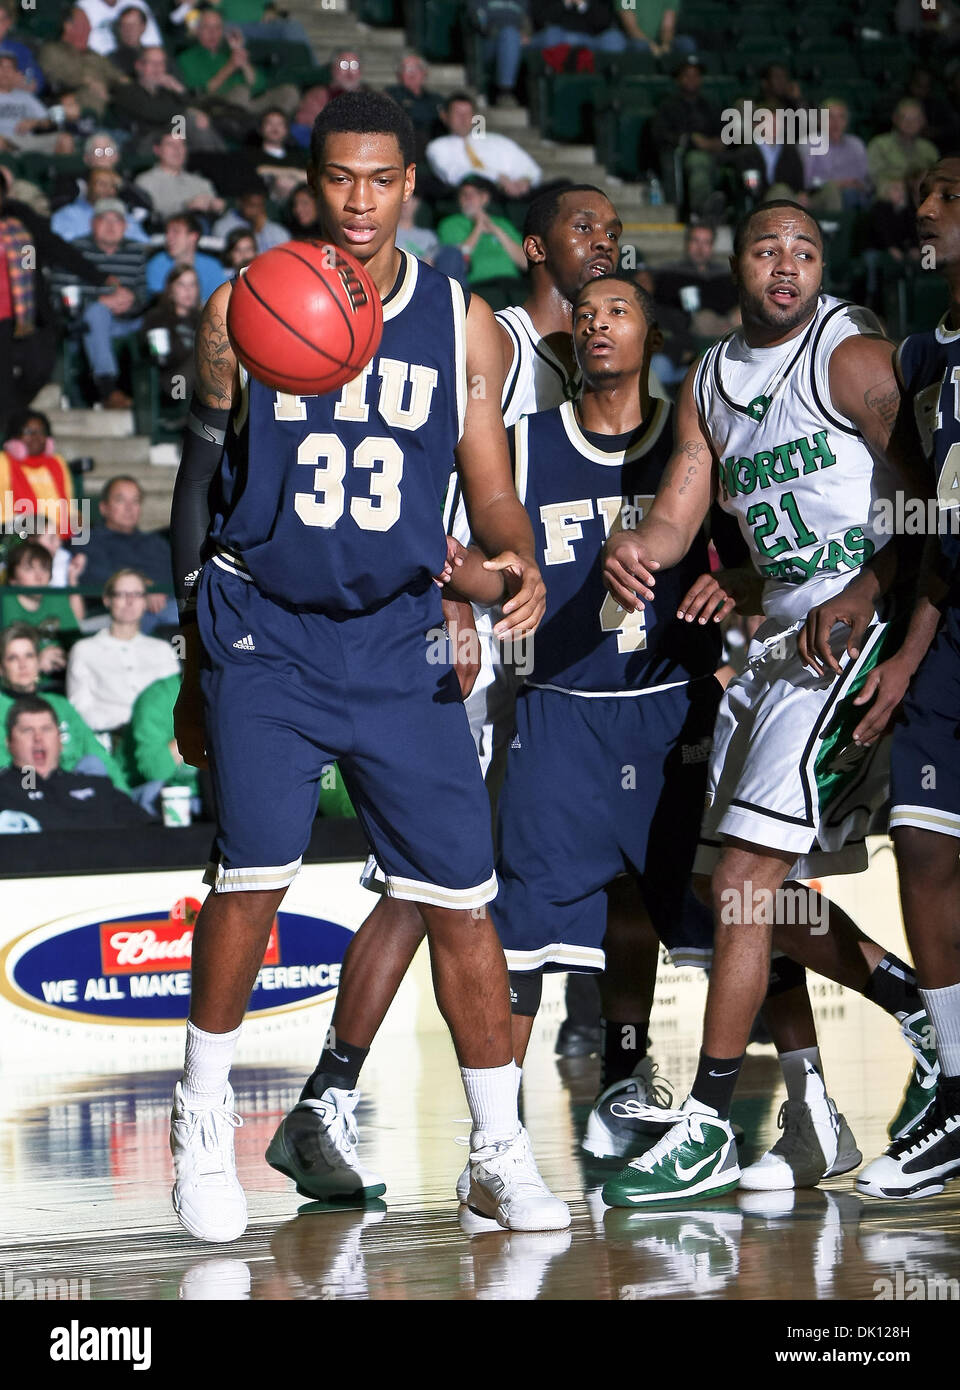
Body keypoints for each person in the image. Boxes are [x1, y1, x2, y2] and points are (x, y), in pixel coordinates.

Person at [168, 89, 565, 1242]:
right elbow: (197, 484)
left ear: (409, 186)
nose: (358, 200)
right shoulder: (237, 307)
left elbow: (490, 479)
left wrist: (514, 550)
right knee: (255, 871)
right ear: (313, 183)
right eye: (339, 177)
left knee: (464, 899)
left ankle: (496, 1155)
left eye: (380, 179)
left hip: (398, 635)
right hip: (267, 630)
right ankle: (203, 1118)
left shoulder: (464, 324)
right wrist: (201, 657)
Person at [600, 200, 932, 1205]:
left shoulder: (852, 359)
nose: (787, 266)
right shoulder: (711, 381)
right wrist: (636, 552)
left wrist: (871, 589)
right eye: (766, 249)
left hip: (854, 633)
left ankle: (705, 1120)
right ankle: (911, 1005)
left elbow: (936, 501)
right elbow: (676, 514)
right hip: (778, 639)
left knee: (746, 874)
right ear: (732, 264)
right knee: (730, 892)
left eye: (806, 251)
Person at [855, 156, 960, 1199]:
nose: (922, 210)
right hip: (949, 625)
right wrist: (909, 649)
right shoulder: (925, 354)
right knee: (923, 846)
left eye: (945, 195)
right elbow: (931, 518)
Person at [0, 174, 111, 426]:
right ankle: (9, 428)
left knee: (40, 368)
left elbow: (57, 248)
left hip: (25, 314)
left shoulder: (21, 219)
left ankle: (10, 416)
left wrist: (100, 277)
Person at [0, 623, 129, 786]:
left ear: (38, 662)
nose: (23, 664)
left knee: (93, 763)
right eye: (13, 658)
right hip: (28, 791)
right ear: (2, 668)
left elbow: (96, 753)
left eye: (29, 656)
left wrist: (124, 798)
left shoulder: (60, 705)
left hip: (75, 791)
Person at [0, 695, 148, 831]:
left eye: (46, 729)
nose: (38, 737)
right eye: (27, 730)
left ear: (60, 740)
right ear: (9, 743)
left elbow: (151, 831)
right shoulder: (5, 789)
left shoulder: (96, 787)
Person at [66, 567, 180, 735]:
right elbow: (80, 709)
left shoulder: (162, 650)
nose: (129, 601)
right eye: (121, 594)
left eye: (137, 594)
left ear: (144, 601)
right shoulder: (84, 650)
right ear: (107, 599)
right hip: (108, 738)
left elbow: (174, 700)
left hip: (159, 738)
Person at [69, 198, 149, 407]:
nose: (111, 226)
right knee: (97, 312)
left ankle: (164, 398)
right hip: (87, 320)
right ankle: (108, 389)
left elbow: (144, 294)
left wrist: (132, 301)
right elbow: (62, 289)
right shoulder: (76, 249)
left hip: (128, 320)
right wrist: (101, 300)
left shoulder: (137, 251)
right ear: (92, 223)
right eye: (105, 219)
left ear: (125, 226)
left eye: (117, 220)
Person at [82, 476, 177, 630]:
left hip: (167, 611)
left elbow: (177, 581)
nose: (129, 507)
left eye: (135, 501)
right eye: (120, 500)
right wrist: (142, 589)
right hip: (115, 614)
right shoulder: (88, 541)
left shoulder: (157, 544)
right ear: (103, 507)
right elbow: (92, 577)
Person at [176, 8, 297, 119]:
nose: (213, 33)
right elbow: (203, 91)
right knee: (240, 92)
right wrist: (231, 66)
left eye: (217, 28)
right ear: (197, 30)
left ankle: (272, 125)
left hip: (250, 105)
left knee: (288, 92)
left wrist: (242, 61)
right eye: (207, 27)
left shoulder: (229, 52)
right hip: (218, 107)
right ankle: (260, 124)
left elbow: (259, 85)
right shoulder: (187, 58)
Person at [110, 45, 228, 153]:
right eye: (152, 63)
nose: (157, 68)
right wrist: (189, 111)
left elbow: (195, 106)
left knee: (199, 121)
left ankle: (222, 159)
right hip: (145, 140)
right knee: (191, 120)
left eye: (161, 64)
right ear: (139, 66)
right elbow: (155, 113)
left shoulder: (167, 90)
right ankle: (219, 162)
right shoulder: (127, 91)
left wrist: (179, 89)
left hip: (174, 135)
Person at [648, 55, 725, 217]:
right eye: (687, 75)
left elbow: (724, 135)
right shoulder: (668, 106)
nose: (692, 79)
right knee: (697, 160)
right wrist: (691, 140)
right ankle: (701, 212)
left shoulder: (710, 106)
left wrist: (714, 143)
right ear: (679, 79)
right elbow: (659, 136)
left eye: (696, 75)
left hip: (716, 157)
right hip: (684, 158)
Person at [426, 92, 541, 197]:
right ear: (445, 116)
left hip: (513, 195)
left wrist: (525, 180)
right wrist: (496, 178)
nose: (464, 119)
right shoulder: (437, 147)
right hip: (474, 198)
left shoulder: (497, 141)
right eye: (458, 113)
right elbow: (455, 175)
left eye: (468, 114)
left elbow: (531, 169)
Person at [38, 6, 129, 120]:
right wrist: (90, 81)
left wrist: (131, 86)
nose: (89, 29)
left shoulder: (95, 56)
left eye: (89, 25)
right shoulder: (52, 50)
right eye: (84, 25)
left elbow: (117, 76)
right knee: (91, 94)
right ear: (68, 26)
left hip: (108, 99)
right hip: (71, 100)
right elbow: (56, 76)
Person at [435, 175, 527, 287]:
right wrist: (478, 226)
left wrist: (497, 231)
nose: (468, 198)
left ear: (485, 198)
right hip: (477, 285)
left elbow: (525, 263)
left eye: (474, 194)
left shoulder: (503, 223)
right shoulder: (451, 223)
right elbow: (456, 259)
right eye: (464, 194)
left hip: (512, 284)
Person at [0, 409, 75, 536]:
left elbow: (68, 505)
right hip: (18, 534)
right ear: (15, 437)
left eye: (41, 432)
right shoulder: (3, 461)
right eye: (28, 432)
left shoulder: (57, 462)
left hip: (59, 536)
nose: (36, 437)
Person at [141, 263, 202, 408]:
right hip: (173, 385)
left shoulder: (204, 319)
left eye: (192, 285)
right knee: (203, 353)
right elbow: (160, 359)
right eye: (181, 285)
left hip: (200, 384)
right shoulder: (157, 318)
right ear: (170, 290)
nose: (188, 291)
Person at [133, 132, 225, 224]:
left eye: (181, 145)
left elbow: (217, 212)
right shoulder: (145, 181)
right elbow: (149, 216)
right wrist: (186, 207)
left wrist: (216, 207)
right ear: (157, 150)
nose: (177, 149)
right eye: (170, 144)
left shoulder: (201, 182)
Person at [0, 540, 78, 646]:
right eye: (29, 569)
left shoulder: (57, 598)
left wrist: (60, 654)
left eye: (44, 569)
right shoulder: (3, 603)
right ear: (13, 578)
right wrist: (40, 656)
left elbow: (75, 642)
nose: (39, 576)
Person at [802, 99, 871, 215]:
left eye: (841, 117)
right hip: (819, 197)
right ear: (819, 121)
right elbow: (807, 181)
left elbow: (867, 180)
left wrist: (860, 184)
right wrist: (836, 184)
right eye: (830, 117)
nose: (835, 122)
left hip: (855, 196)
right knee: (832, 191)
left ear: (847, 122)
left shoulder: (856, 145)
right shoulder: (809, 144)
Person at [146, 212, 229, 304]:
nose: (169, 237)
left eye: (176, 232)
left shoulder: (212, 266)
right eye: (167, 232)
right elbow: (159, 302)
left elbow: (219, 303)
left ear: (193, 236)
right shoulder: (157, 263)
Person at [50, 165, 149, 242]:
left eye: (113, 186)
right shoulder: (66, 215)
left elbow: (143, 244)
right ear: (87, 187)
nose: (108, 190)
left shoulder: (125, 217)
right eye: (101, 184)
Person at [0, 53, 74, 156]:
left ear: (16, 74)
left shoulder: (25, 96)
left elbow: (49, 120)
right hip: (4, 140)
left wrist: (34, 122)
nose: (5, 72)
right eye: (1, 67)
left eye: (9, 68)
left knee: (65, 139)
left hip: (28, 140)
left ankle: (62, 171)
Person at [867, 100, 939, 190]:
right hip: (890, 195)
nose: (910, 123)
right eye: (905, 118)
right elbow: (872, 178)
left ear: (923, 121)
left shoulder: (929, 148)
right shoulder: (879, 145)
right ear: (895, 118)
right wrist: (905, 181)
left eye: (915, 119)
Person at [384, 53, 443, 152]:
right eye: (407, 69)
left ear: (425, 73)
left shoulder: (436, 99)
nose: (412, 73)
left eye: (416, 68)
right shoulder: (391, 95)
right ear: (399, 74)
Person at [211, 182, 288, 251]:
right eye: (252, 205)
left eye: (260, 205)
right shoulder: (223, 226)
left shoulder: (276, 230)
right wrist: (256, 231)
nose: (256, 210)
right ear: (240, 203)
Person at [79, 0, 162, 56]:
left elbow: (154, 45)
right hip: (99, 63)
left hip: (140, 61)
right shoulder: (84, 6)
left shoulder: (136, 3)